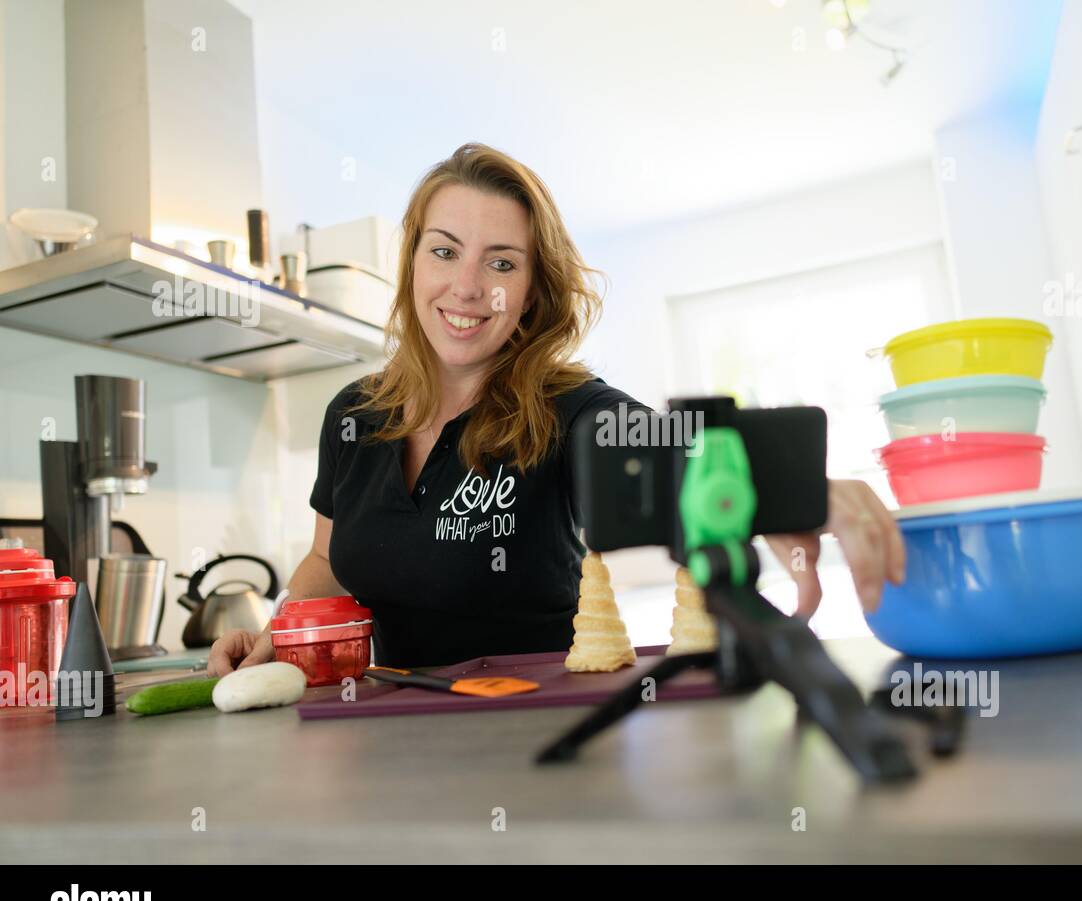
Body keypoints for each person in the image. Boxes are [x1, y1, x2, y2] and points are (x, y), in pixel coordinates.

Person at [208, 143, 904, 674]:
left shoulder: (569, 411)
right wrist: (279, 631)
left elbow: (674, 446)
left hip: (541, 725)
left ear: (535, 290)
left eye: (502, 263)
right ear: (413, 262)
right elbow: (327, 561)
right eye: (445, 251)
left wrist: (795, 489)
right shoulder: (353, 416)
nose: (468, 286)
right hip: (388, 725)